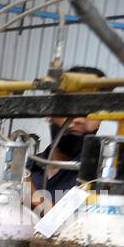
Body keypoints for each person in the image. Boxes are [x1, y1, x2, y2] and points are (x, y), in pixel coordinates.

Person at [29, 65, 106, 211]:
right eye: (70, 109)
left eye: (90, 111)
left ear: (101, 119)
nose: (79, 119)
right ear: (48, 113)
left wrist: (30, 191)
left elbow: (67, 227)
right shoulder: (27, 166)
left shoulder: (100, 177)